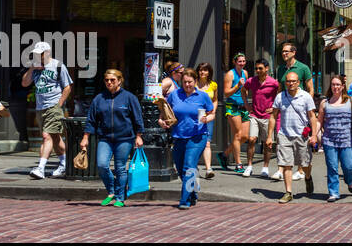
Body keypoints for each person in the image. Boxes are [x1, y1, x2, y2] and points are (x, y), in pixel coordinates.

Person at [80, 68, 144, 207]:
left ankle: (120, 198)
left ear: (120, 81)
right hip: (105, 138)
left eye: (112, 80)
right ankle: (112, 191)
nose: (109, 82)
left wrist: (139, 136)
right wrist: (85, 137)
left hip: (125, 138)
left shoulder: (129, 97)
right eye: (107, 80)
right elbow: (91, 119)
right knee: (102, 165)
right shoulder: (99, 98)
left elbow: (137, 118)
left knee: (120, 167)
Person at [159, 69, 215, 210]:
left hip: (197, 136)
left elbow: (211, 113)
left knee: (189, 166)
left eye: (190, 82)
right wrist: (161, 121)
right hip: (179, 136)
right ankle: (193, 192)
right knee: (179, 168)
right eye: (184, 82)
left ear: (195, 82)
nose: (187, 85)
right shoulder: (174, 95)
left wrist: (207, 118)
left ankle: (184, 200)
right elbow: (165, 111)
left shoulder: (202, 96)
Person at [23, 41, 73, 180]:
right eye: (36, 54)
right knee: (55, 138)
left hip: (53, 106)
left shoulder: (58, 65)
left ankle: (40, 168)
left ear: (48, 53)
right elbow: (25, 83)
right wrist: (32, 68)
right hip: (40, 107)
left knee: (47, 136)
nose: (38, 56)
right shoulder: (35, 67)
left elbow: (67, 87)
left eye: (40, 54)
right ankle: (64, 164)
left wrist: (59, 104)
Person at [317, 75, 352, 202]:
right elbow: (319, 121)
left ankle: (350, 181)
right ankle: (334, 192)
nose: (335, 87)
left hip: (347, 140)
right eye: (333, 84)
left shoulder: (351, 100)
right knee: (332, 167)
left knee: (349, 166)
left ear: (342, 86)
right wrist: (314, 135)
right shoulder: (325, 103)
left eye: (338, 85)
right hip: (330, 140)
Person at [272, 70, 318, 203]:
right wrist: (270, 136)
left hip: (301, 135)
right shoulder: (280, 97)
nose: (290, 83)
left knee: (305, 163)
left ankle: (308, 177)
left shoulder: (306, 96)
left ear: (298, 83)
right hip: (284, 135)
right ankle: (288, 192)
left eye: (293, 81)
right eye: (288, 81)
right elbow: (273, 116)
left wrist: (314, 135)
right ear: (285, 82)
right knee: (287, 165)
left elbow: (312, 117)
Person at [242, 59, 281, 179]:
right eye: (256, 69)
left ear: (266, 69)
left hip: (268, 117)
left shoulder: (273, 83)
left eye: (260, 68)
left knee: (267, 144)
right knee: (252, 139)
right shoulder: (251, 81)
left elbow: (279, 96)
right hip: (254, 114)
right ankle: (249, 166)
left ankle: (265, 167)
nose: (258, 71)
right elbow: (243, 90)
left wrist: (274, 108)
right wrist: (247, 105)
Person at [220, 53, 250, 173]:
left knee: (245, 136)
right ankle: (238, 163)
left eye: (243, 61)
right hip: (232, 106)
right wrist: (237, 85)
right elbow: (226, 93)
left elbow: (245, 90)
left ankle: (225, 154)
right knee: (237, 135)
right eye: (240, 61)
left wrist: (247, 102)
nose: (242, 63)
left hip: (243, 105)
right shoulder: (230, 74)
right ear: (235, 62)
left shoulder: (245, 73)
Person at [195, 62, 218, 179]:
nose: (202, 72)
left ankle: (209, 169)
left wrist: (213, 110)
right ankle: (193, 165)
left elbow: (215, 99)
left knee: (207, 142)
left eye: (205, 70)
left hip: (208, 114)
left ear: (209, 72)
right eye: (200, 70)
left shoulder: (213, 85)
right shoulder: (194, 84)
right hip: (197, 114)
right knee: (197, 141)